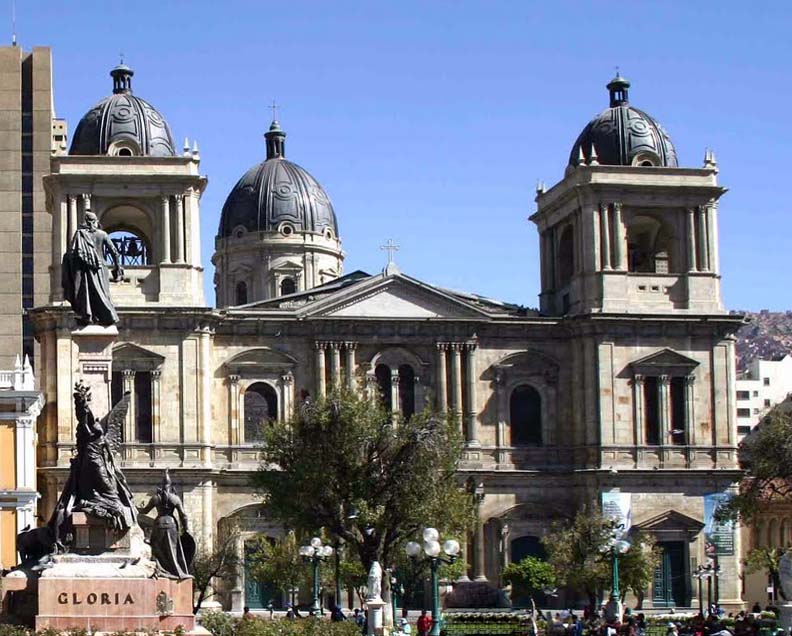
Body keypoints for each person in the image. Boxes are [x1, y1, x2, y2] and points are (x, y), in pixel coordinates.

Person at [61, 210, 123, 326]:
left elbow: (72, 254)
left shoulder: (80, 234)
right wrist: (118, 267)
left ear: (86, 221)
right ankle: (106, 316)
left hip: (84, 269)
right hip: (100, 268)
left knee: (86, 294)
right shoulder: (102, 234)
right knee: (103, 294)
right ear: (95, 222)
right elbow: (115, 252)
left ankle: (88, 316)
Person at [138, 469, 192, 579]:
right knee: (172, 549)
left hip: (158, 524)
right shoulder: (175, 498)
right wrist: (186, 528)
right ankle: (175, 571)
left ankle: (160, 569)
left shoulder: (156, 498)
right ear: (170, 486)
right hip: (171, 525)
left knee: (158, 549)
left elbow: (144, 511)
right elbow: (183, 515)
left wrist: (135, 507)